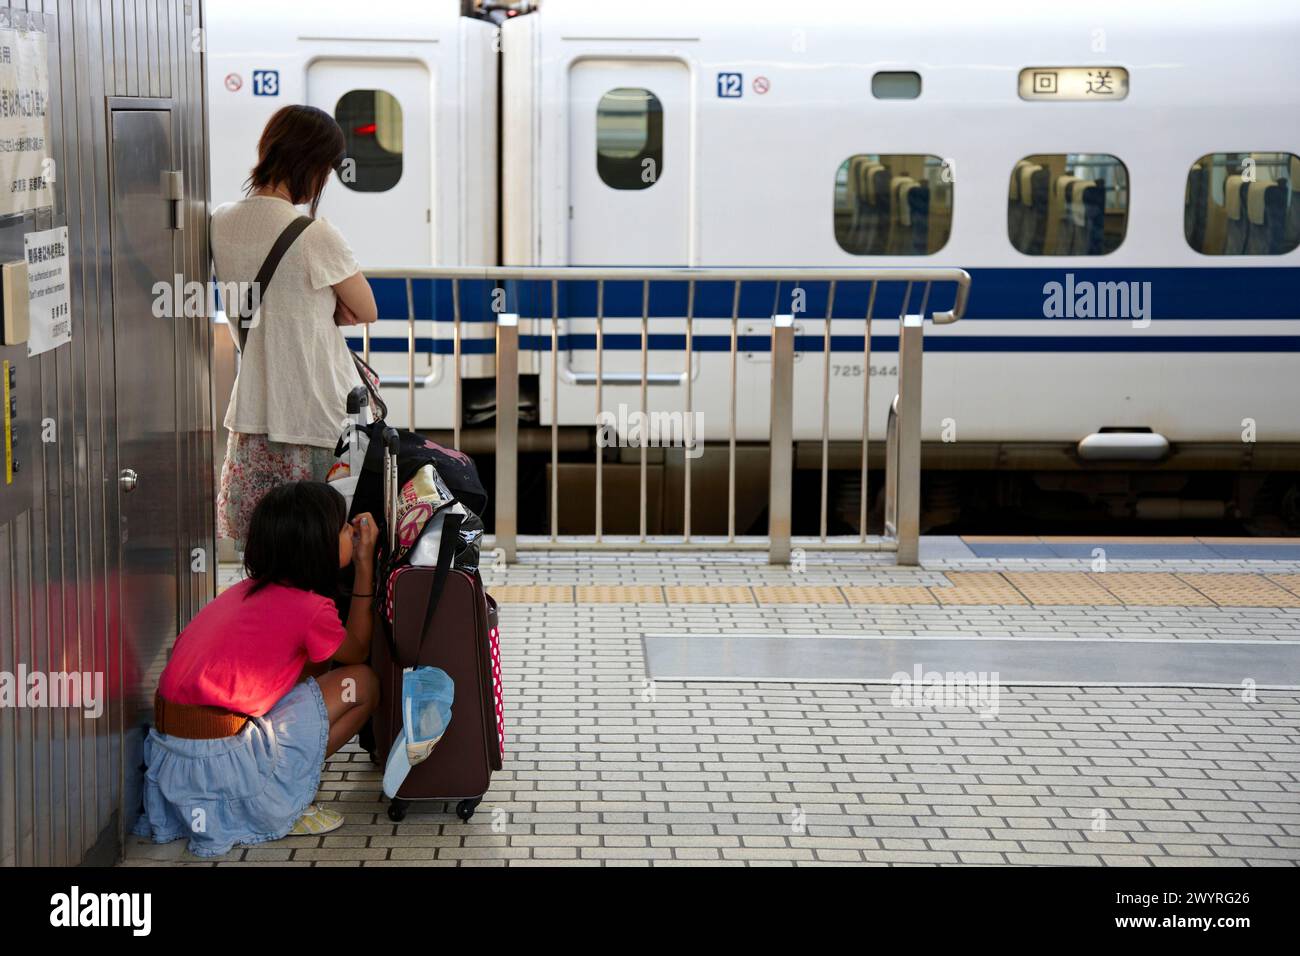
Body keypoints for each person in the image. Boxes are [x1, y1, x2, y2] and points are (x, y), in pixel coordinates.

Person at [134, 482, 380, 858]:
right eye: (343, 528)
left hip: (174, 756)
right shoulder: (311, 610)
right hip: (224, 763)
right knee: (362, 683)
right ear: (320, 547)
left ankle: (287, 775)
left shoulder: (242, 592)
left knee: (313, 668)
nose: (352, 532)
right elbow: (358, 650)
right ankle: (289, 795)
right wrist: (365, 565)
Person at [213, 104, 379, 549]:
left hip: (255, 418)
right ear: (310, 165)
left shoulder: (219, 223)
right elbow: (365, 309)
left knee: (267, 552)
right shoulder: (315, 235)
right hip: (319, 420)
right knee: (324, 550)